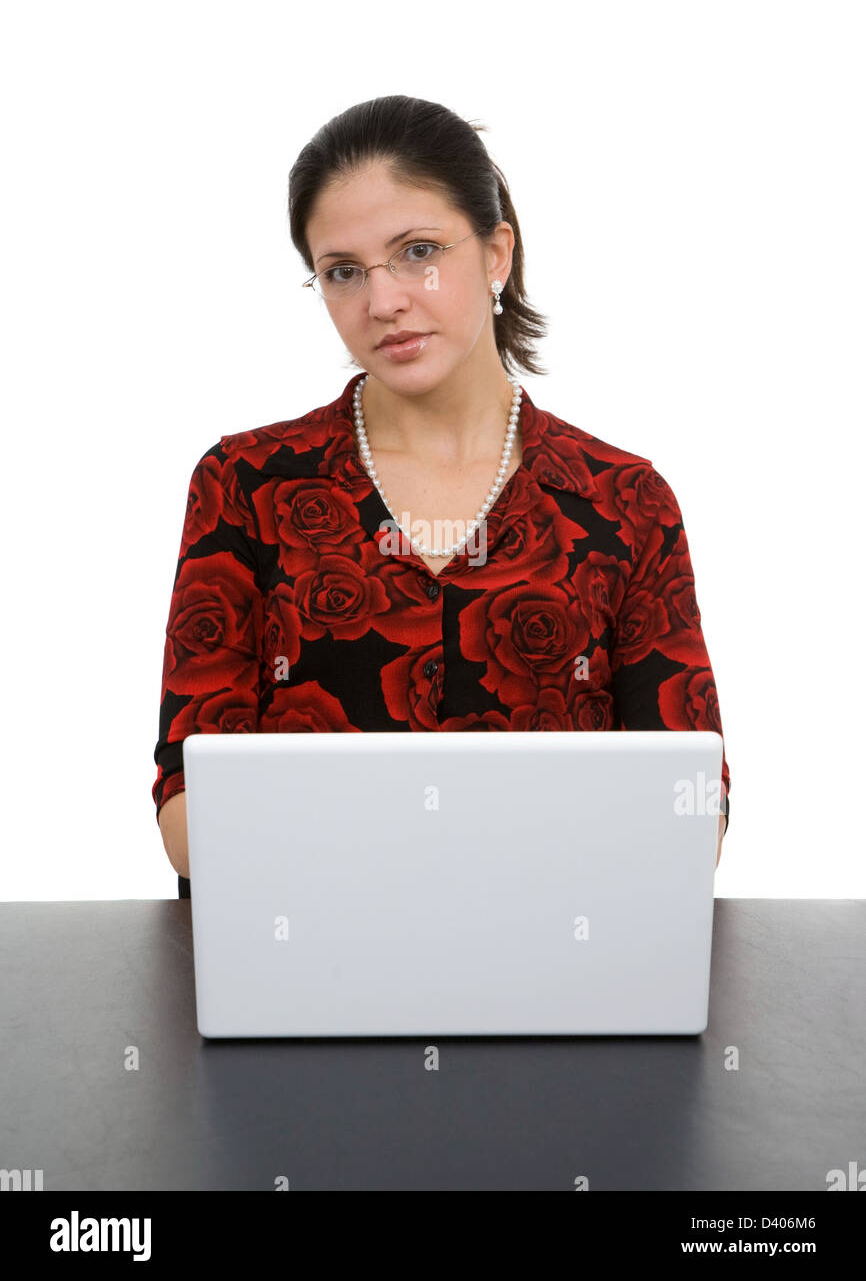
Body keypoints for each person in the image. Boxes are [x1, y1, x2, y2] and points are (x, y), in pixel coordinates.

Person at [154, 94, 731, 893]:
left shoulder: (626, 500)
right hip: (302, 968)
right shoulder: (246, 484)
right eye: (343, 272)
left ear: (496, 252)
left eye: (418, 250)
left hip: (563, 966)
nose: (381, 302)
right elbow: (188, 810)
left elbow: (692, 810)